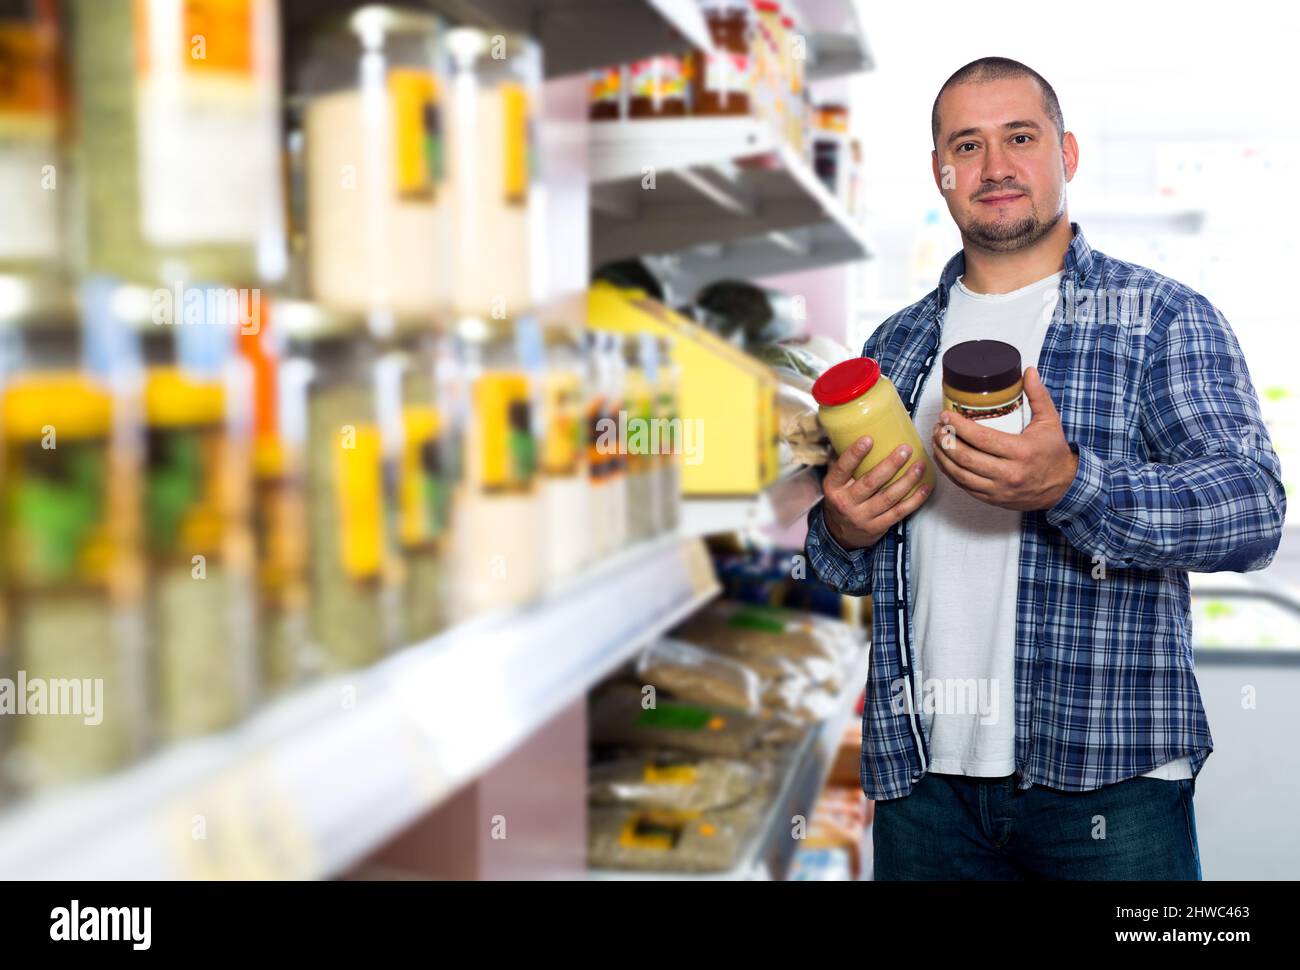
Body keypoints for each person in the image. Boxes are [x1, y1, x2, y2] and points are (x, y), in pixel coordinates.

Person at [805, 56, 1287, 880]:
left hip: (1108, 783)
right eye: (968, 144)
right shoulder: (895, 346)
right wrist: (843, 528)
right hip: (923, 785)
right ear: (940, 172)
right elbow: (844, 562)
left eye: (1019, 138)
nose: (994, 167)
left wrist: (1072, 485)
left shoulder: (1162, 316)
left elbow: (1251, 510)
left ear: (1064, 154)